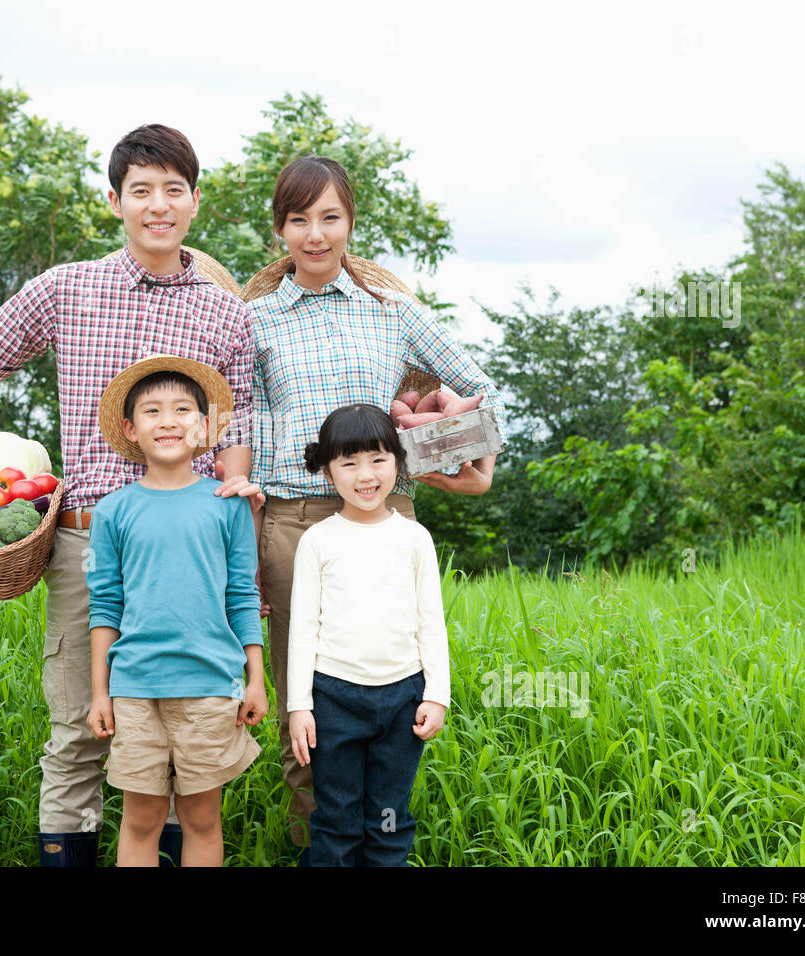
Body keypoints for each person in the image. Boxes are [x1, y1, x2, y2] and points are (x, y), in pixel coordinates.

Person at [0, 124, 264, 867]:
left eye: (174, 191)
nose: (159, 206)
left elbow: (235, 418)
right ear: (115, 200)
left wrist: (234, 502)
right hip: (91, 545)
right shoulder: (67, 289)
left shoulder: (226, 311)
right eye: (142, 191)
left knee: (188, 734)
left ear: (194, 201)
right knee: (82, 728)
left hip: (193, 543)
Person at [226, 155, 507, 854]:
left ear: (351, 221)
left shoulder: (394, 313)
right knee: (308, 698)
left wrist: (470, 470)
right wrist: (249, 545)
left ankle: (382, 836)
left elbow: (481, 393)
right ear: (280, 228)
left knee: (390, 675)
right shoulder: (253, 322)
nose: (315, 234)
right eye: (299, 220)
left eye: (330, 217)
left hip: (387, 524)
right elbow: (244, 435)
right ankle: (318, 846)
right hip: (294, 522)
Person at [85, 355, 267, 866]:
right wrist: (101, 692)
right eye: (152, 411)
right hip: (136, 688)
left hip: (212, 686)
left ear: (205, 426)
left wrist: (255, 678)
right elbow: (105, 606)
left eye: (184, 409)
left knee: (202, 819)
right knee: (141, 820)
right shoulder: (113, 510)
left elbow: (242, 595)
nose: (168, 421)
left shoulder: (227, 502)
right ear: (130, 428)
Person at [287, 403, 448, 866]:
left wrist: (437, 695)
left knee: (390, 815)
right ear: (327, 470)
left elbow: (430, 621)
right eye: (349, 462)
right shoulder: (318, 540)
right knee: (336, 817)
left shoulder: (415, 537)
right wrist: (300, 706)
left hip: (403, 699)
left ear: (397, 462)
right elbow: (302, 629)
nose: (365, 475)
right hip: (333, 698)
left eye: (378, 459)